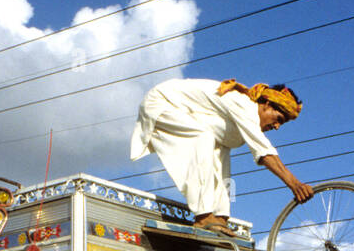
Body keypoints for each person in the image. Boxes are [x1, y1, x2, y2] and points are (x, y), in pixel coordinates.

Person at [130, 77, 314, 232]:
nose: (276, 127)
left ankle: (219, 215)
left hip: (188, 114)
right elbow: (264, 151)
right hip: (162, 103)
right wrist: (294, 184)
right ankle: (203, 215)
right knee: (202, 138)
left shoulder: (239, 126)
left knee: (220, 149)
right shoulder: (244, 105)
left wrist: (222, 215)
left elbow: (219, 161)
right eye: (278, 119)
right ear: (266, 104)